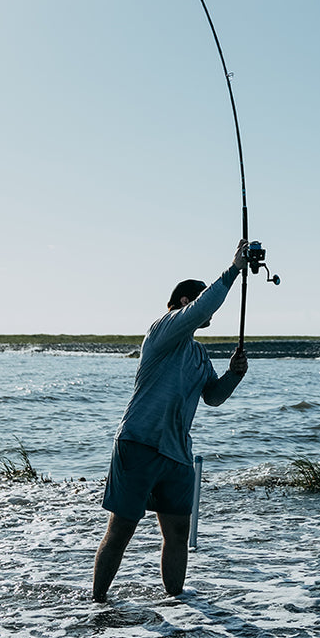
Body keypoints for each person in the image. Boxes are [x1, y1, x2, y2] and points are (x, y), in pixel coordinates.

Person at [92, 240, 249, 602]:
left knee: (177, 534)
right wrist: (234, 268)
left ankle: (177, 604)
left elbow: (213, 397)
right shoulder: (162, 331)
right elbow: (203, 307)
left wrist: (234, 375)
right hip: (139, 442)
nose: (207, 309)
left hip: (178, 455)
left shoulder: (197, 352)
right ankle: (96, 604)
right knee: (121, 531)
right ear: (184, 303)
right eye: (199, 300)